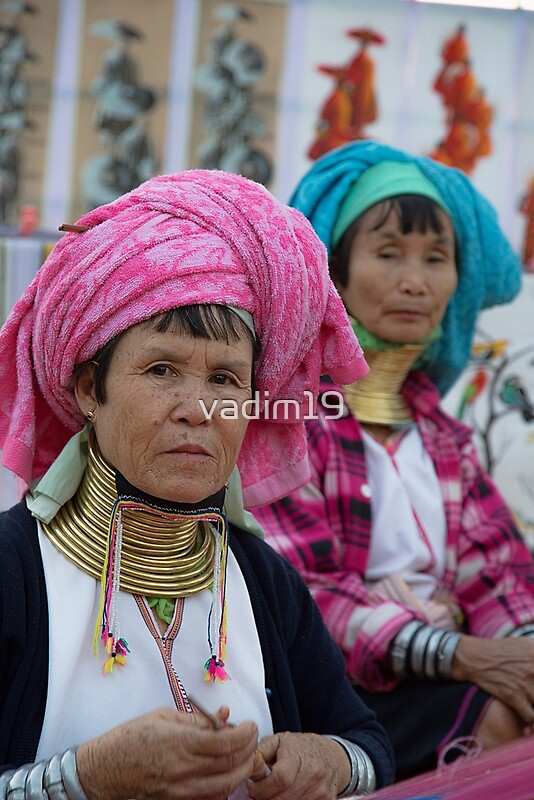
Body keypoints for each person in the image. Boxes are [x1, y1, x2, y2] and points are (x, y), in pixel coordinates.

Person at [0, 169, 395, 799]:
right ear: (87, 389)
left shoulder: (264, 579)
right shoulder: (14, 568)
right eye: (162, 370)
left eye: (226, 380)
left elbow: (370, 745)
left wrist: (332, 762)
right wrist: (86, 778)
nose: (199, 409)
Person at [253, 139, 534, 781]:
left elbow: (499, 574)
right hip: (329, 700)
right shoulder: (291, 424)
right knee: (498, 720)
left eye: (437, 258)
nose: (416, 281)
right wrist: (460, 653)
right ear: (335, 274)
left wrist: (521, 655)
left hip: (449, 676)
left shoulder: (445, 440)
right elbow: (303, 596)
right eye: (388, 254)